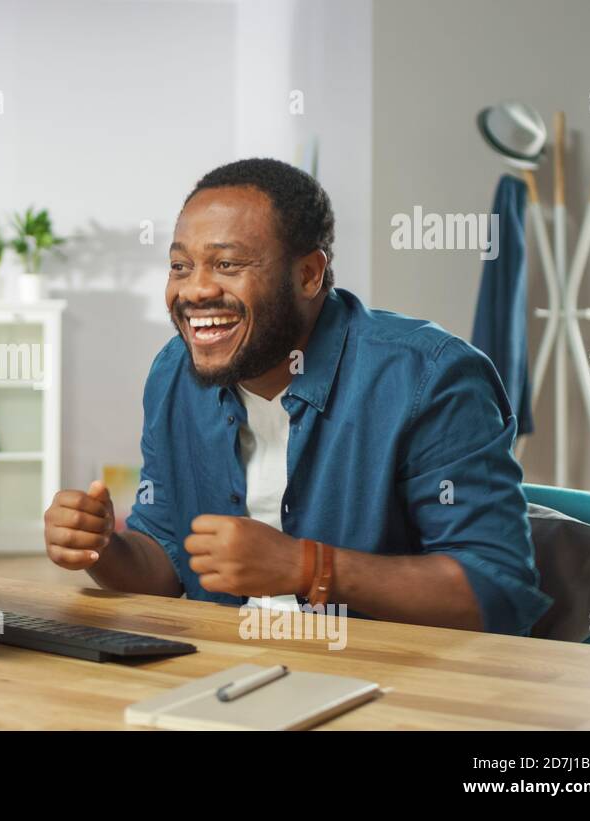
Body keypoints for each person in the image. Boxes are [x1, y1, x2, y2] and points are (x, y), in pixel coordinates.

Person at [42, 158, 550, 635]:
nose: (194, 291)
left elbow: (496, 592)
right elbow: (167, 559)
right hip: (223, 669)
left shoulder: (431, 377)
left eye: (226, 264)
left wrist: (307, 567)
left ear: (308, 274)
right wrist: (103, 547)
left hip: (388, 678)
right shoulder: (174, 372)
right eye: (180, 266)